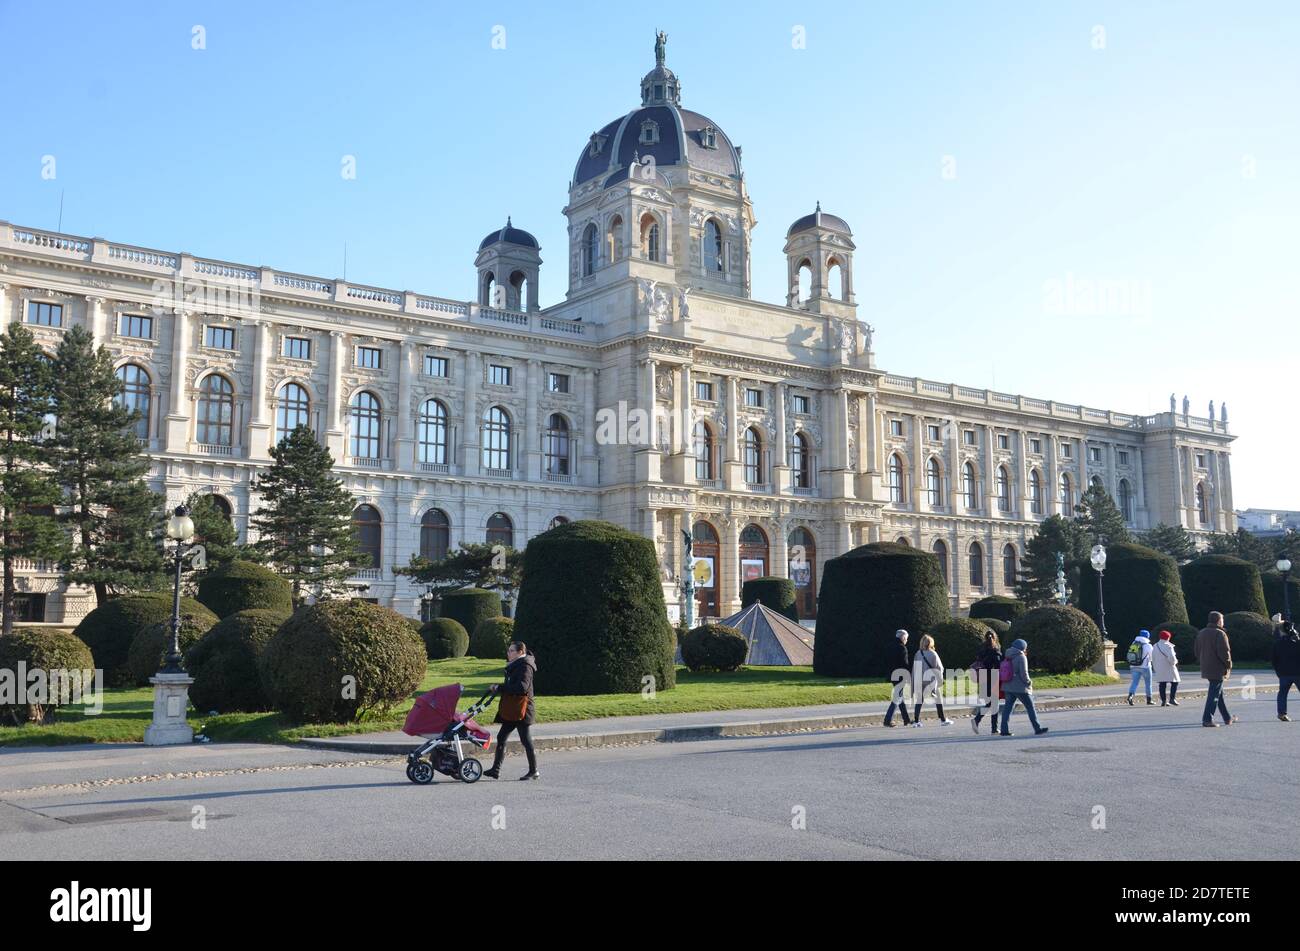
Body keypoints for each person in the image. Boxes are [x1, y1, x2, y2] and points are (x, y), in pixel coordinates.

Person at [483, 641, 540, 780]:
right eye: (508, 651)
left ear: (520, 652)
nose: (508, 653)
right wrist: (498, 686)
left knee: (525, 740)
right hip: (513, 708)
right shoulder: (516, 665)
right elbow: (512, 684)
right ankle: (496, 770)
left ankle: (534, 771)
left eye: (511, 651)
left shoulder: (525, 666)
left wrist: (501, 688)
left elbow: (522, 687)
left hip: (522, 708)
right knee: (502, 736)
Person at [1194, 611, 1236, 727]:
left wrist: (1203, 661)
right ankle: (1207, 719)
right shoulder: (1220, 634)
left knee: (1218, 693)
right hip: (1218, 668)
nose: (1223, 622)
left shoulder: (1201, 633)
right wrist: (1228, 665)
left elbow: (1197, 651)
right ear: (1219, 621)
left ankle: (1227, 718)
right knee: (1214, 695)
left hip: (1206, 666)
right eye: (1222, 620)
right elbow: (1224, 652)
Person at [999, 638, 1049, 737]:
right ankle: (1037, 728)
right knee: (1030, 707)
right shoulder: (1021, 657)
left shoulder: (1007, 655)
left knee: (1007, 708)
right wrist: (1029, 682)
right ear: (1023, 647)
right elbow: (1024, 674)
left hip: (1007, 686)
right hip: (1020, 687)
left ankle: (1004, 730)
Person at [911, 634, 954, 726]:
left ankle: (916, 721)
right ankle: (942, 719)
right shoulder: (933, 654)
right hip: (931, 680)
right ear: (931, 643)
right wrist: (940, 680)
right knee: (938, 700)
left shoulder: (918, 653)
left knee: (919, 700)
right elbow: (939, 668)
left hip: (920, 679)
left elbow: (915, 668)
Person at [970, 631, 1004, 734]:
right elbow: (998, 665)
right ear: (995, 638)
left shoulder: (982, 649)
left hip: (983, 678)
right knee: (993, 703)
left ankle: (993, 728)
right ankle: (977, 720)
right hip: (993, 677)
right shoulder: (995, 650)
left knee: (991, 703)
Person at [882, 629, 913, 727]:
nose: (906, 641)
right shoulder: (902, 648)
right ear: (903, 637)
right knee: (897, 697)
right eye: (906, 638)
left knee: (899, 697)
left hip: (892, 675)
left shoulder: (889, 646)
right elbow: (905, 664)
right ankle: (887, 719)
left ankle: (906, 719)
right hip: (900, 675)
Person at [1271, 620, 1300, 722]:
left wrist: (1278, 672)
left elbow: (1274, 660)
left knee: (1282, 694)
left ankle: (1281, 713)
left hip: (1284, 673)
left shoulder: (1277, 643)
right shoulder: (1296, 642)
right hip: (1297, 672)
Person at [1151, 629, 1180, 706]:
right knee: (1175, 682)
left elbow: (1152, 658)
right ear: (1168, 638)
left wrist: (1155, 667)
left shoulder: (1155, 646)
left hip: (1159, 667)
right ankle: (1172, 699)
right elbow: (1172, 658)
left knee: (1162, 684)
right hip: (1169, 667)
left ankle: (1163, 700)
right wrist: (1175, 662)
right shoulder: (1169, 646)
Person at [1125, 631, 1154, 705]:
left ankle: (1130, 696)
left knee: (1134, 682)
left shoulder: (1134, 643)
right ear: (1147, 636)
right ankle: (1149, 699)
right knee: (1148, 683)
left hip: (1134, 666)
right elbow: (1151, 657)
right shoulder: (1148, 645)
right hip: (1145, 667)